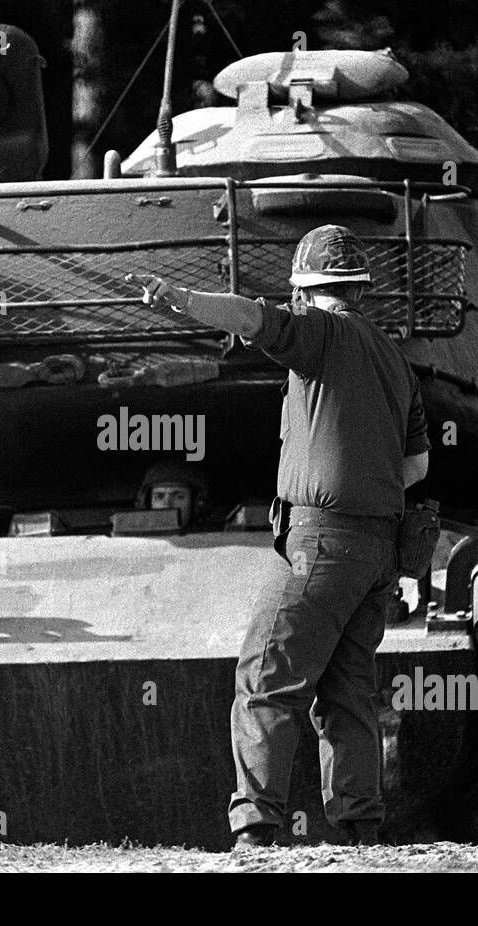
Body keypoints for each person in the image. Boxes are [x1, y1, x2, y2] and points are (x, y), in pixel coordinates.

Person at [127, 224, 430, 849]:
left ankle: (256, 830)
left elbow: (251, 317)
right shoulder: (395, 359)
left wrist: (180, 298)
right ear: (360, 287)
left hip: (321, 541)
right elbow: (418, 467)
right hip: (379, 548)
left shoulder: (322, 334)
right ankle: (360, 831)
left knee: (267, 678)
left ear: (304, 288)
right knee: (346, 693)